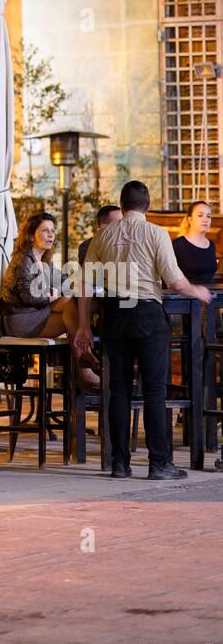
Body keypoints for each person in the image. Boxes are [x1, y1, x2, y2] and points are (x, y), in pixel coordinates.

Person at [75, 179, 211, 480]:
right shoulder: (156, 233)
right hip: (147, 313)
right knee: (153, 390)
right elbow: (175, 281)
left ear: (121, 206)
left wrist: (84, 326)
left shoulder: (104, 235)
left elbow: (84, 282)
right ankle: (158, 463)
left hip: (114, 314)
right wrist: (197, 291)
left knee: (118, 389)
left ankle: (120, 463)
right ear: (147, 205)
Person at [1, 211, 99, 387]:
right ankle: (84, 363)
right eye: (45, 230)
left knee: (70, 305)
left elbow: (64, 281)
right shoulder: (23, 260)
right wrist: (50, 296)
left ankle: (84, 367)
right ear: (31, 236)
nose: (51, 234)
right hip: (20, 320)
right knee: (71, 308)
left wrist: (63, 290)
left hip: (37, 314)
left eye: (53, 231)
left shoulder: (43, 261)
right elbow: (28, 296)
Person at [172, 201, 217, 286]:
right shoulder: (177, 245)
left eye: (208, 216)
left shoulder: (211, 245)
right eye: (200, 215)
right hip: (184, 297)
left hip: (209, 296)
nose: (205, 219)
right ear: (190, 219)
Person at [77, 204, 123, 268]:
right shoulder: (86, 246)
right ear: (104, 227)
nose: (123, 226)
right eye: (118, 223)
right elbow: (90, 274)